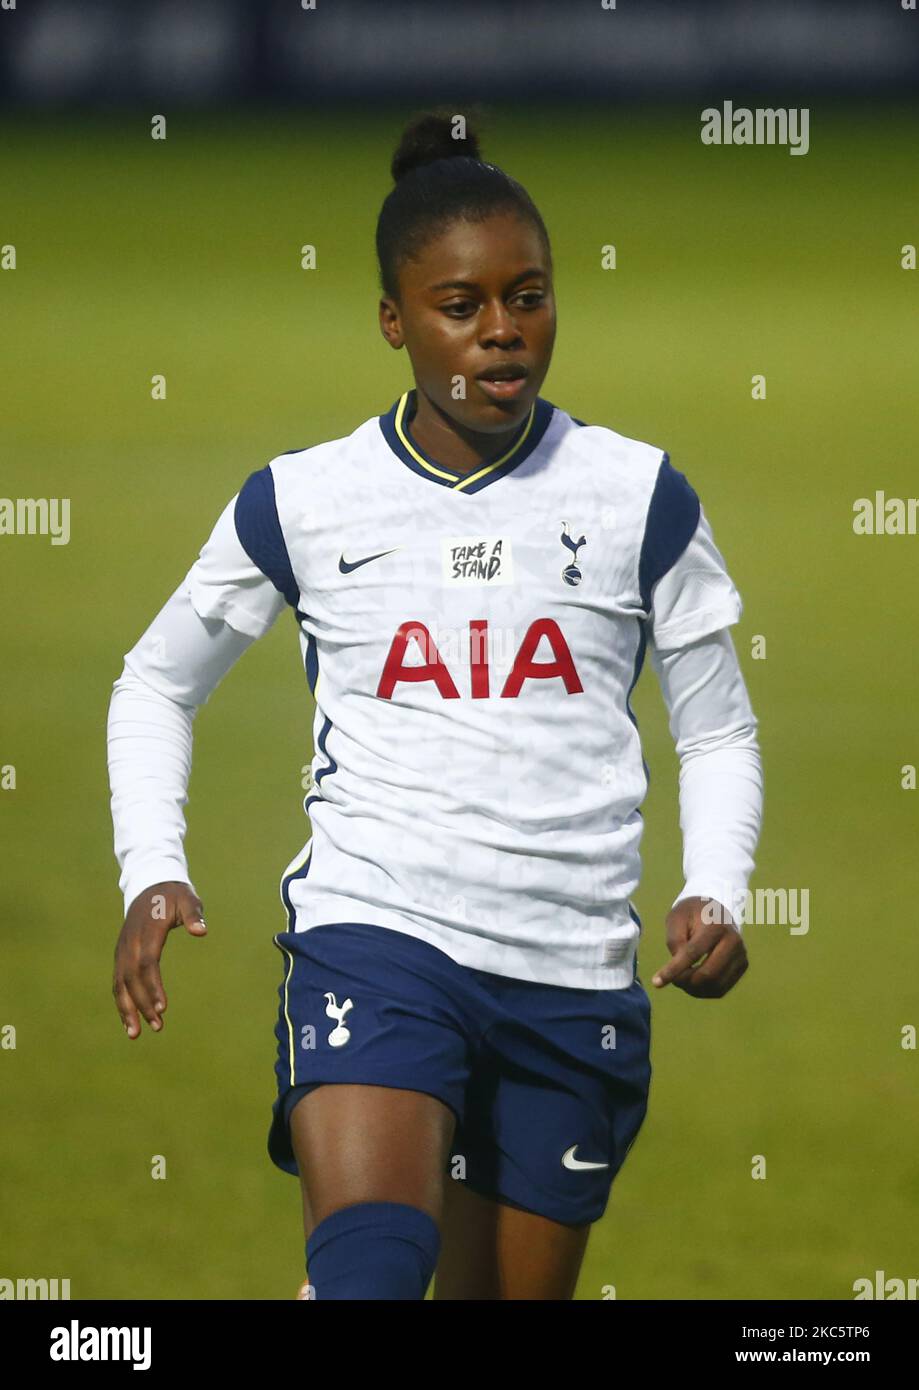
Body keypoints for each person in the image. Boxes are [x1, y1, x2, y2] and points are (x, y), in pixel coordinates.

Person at [107, 112, 763, 1301]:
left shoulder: (636, 497)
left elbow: (715, 724)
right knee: (371, 1264)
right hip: (378, 935)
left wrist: (713, 886)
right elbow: (156, 679)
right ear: (393, 321)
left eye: (529, 295)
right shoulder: (304, 502)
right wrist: (153, 865)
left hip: (570, 972)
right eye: (461, 306)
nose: (503, 332)